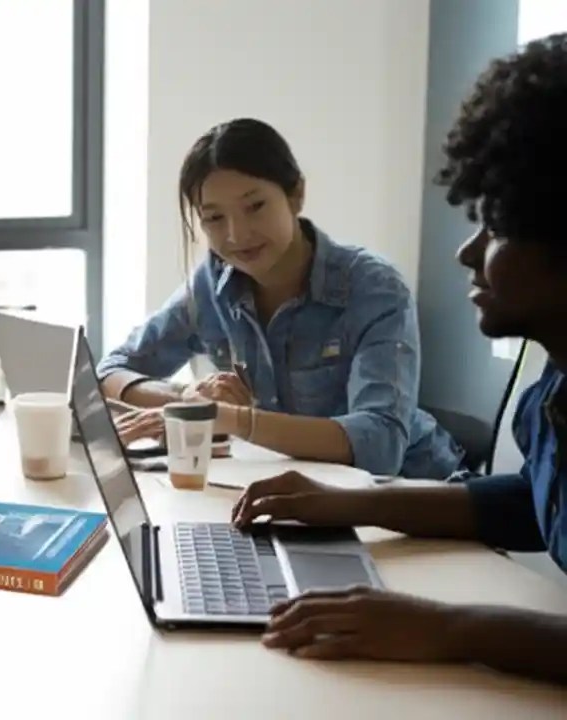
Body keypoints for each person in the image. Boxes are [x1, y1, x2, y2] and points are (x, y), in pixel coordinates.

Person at [234, 34, 567, 685]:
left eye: (497, 224)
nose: (467, 253)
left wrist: (448, 628)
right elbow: (533, 504)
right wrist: (350, 503)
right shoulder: (555, 384)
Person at [97, 118, 463, 479]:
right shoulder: (212, 284)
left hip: (412, 494)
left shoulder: (373, 287)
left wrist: (234, 419)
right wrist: (186, 399)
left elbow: (380, 446)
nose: (237, 235)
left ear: (296, 194)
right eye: (214, 218)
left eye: (255, 207)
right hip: (297, 495)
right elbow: (110, 371)